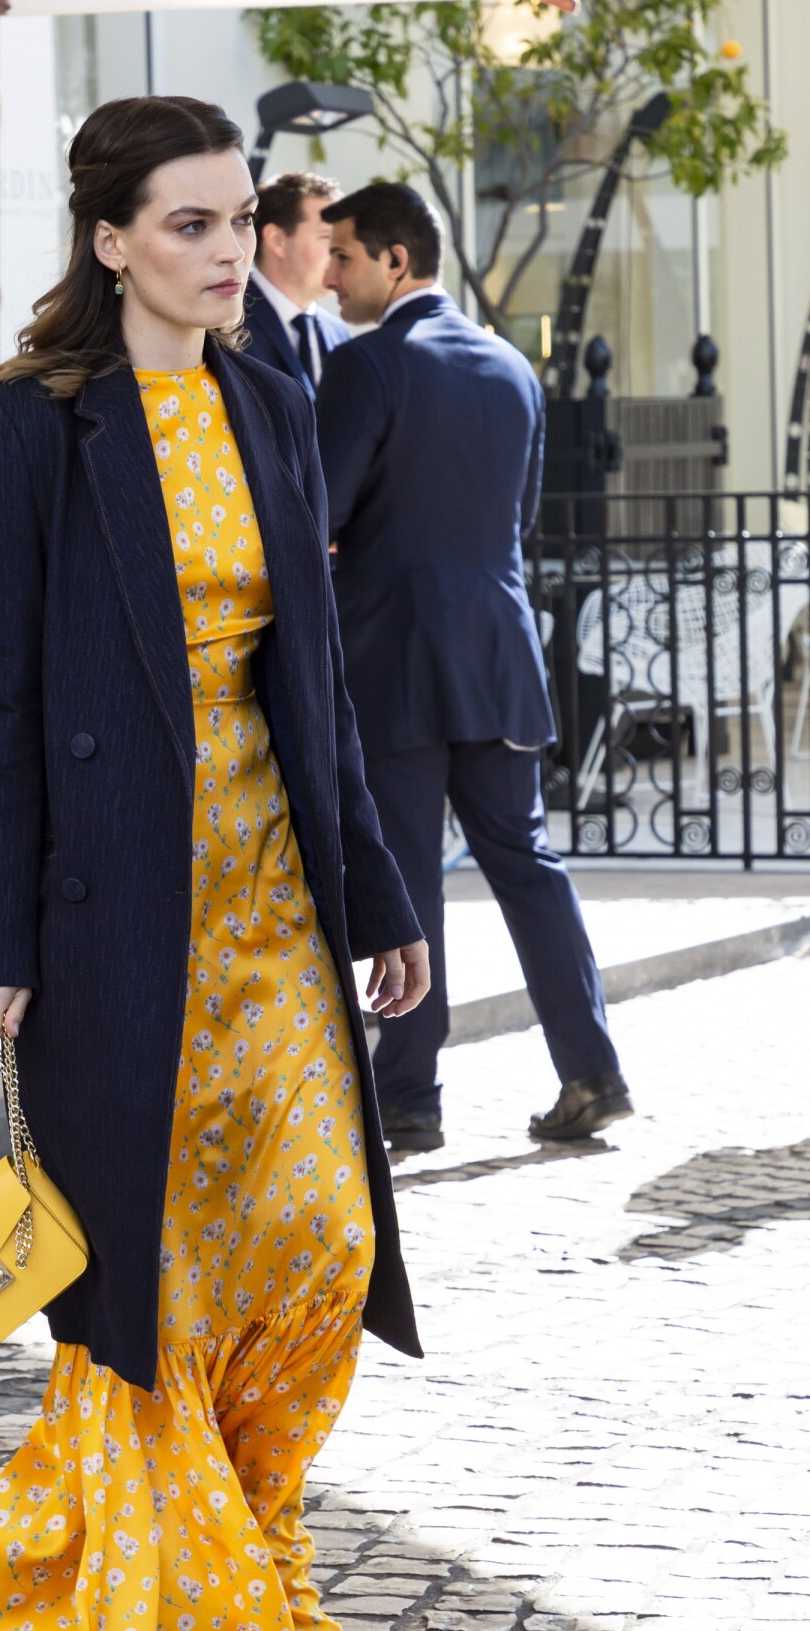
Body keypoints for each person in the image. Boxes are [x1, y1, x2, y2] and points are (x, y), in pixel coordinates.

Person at [0, 95, 430, 1631]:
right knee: (153, 1279)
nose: (229, 253)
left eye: (238, 222)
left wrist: (376, 884)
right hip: (111, 912)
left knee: (316, 1247)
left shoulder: (275, 397)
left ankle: (259, 1568)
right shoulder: (27, 425)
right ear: (112, 238)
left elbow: (322, 686)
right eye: (193, 225)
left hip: (276, 900)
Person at [316, 182, 633, 1152]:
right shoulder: (513, 369)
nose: (329, 279)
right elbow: (520, 518)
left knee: (406, 882)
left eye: (344, 258)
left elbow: (315, 516)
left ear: (395, 262)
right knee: (529, 865)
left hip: (396, 658)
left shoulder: (367, 366)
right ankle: (593, 1068)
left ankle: (409, 1096)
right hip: (498, 656)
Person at [241, 170, 349, 399]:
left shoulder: (338, 334)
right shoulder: (227, 320)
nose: (342, 252)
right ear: (277, 240)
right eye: (327, 237)